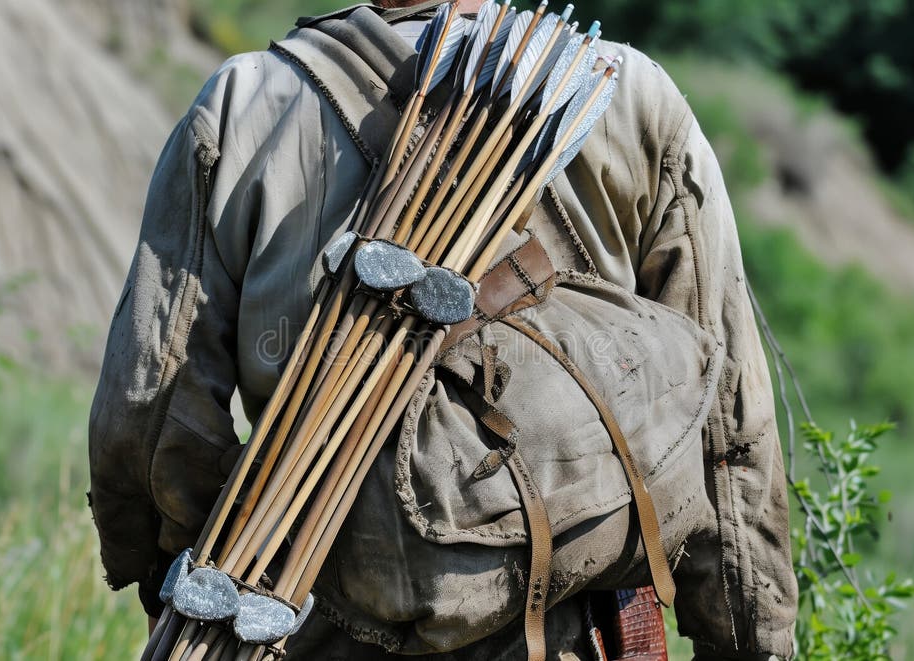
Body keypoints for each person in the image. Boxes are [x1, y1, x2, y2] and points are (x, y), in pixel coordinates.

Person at [88, 0, 798, 658]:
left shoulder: (247, 102)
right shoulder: (627, 92)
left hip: (305, 614)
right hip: (573, 632)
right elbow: (729, 429)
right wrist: (748, 639)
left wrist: (182, 587)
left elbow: (151, 414)